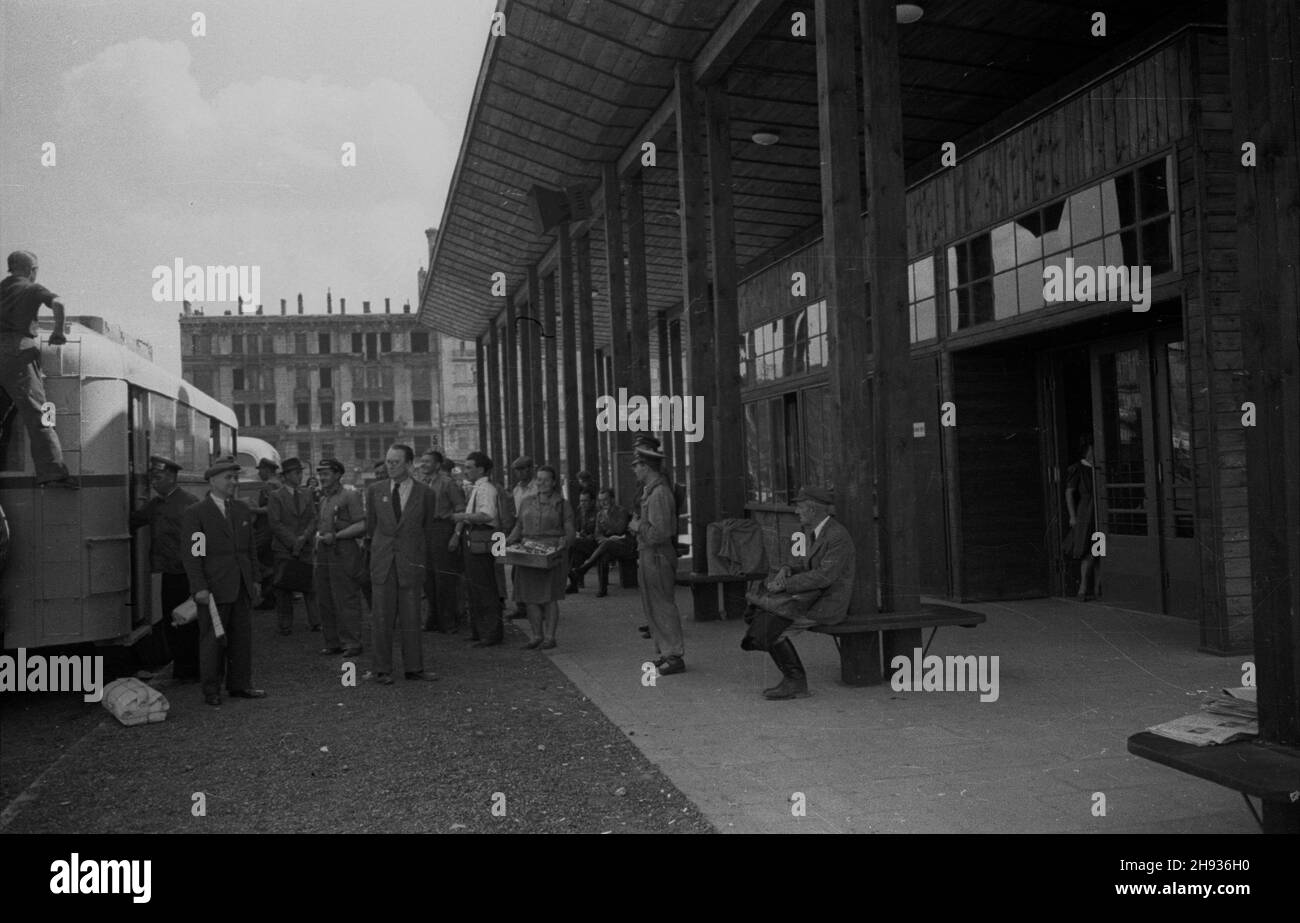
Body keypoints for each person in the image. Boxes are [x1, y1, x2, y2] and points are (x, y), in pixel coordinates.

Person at [741, 486, 856, 700]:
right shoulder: (815, 531)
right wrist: (788, 570)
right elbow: (807, 566)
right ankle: (794, 681)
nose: (796, 512)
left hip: (827, 603)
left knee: (772, 627)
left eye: (800, 508)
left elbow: (824, 576)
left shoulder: (837, 536)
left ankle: (795, 682)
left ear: (812, 510)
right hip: (812, 598)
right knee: (763, 618)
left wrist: (786, 584)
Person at [180, 456, 265, 707]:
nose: (233, 482)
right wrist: (199, 587)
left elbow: (250, 549)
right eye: (228, 477)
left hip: (241, 585)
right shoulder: (196, 513)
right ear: (213, 480)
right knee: (213, 640)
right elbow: (193, 555)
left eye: (234, 477)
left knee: (242, 637)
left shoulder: (240, 509)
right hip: (214, 588)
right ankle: (211, 689)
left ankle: (240, 684)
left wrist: (256, 579)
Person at [0, 250, 76, 488]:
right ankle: (53, 473)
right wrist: (58, 331)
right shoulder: (32, 289)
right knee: (41, 412)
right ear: (31, 269)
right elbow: (59, 303)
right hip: (18, 352)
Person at [364, 444, 436, 684]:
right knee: (381, 618)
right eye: (388, 461)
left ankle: (414, 668)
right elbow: (372, 527)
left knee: (411, 617)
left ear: (409, 464)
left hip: (410, 563)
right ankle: (381, 670)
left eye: (395, 462)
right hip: (383, 563)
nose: (390, 466)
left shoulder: (425, 493)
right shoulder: (374, 491)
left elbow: (426, 530)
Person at [128, 455, 200, 681]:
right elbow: (136, 519)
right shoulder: (156, 504)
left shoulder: (190, 502)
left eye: (158, 477)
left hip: (187, 573)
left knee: (189, 623)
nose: (153, 482)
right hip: (169, 572)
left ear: (171, 477)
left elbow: (200, 540)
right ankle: (182, 670)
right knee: (174, 623)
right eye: (152, 478)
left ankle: (192, 670)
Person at [629, 438, 685, 675]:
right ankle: (665, 652)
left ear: (646, 466)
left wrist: (637, 526)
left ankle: (674, 655)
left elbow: (660, 533)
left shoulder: (659, 493)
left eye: (637, 464)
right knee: (653, 605)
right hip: (650, 555)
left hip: (658, 555)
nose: (634, 469)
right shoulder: (651, 491)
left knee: (663, 606)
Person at [508, 465, 575, 649]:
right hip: (527, 553)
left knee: (548, 597)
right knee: (529, 597)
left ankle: (549, 638)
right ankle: (536, 636)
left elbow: (570, 529)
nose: (542, 483)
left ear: (554, 482)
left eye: (546, 479)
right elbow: (518, 526)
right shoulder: (526, 501)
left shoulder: (562, 504)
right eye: (539, 479)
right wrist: (507, 542)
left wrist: (565, 543)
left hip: (551, 555)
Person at [314, 458, 366, 658]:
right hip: (325, 552)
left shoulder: (350, 495)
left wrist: (337, 536)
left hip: (343, 551)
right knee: (325, 597)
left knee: (346, 597)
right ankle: (333, 642)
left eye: (326, 473)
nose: (322, 477)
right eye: (320, 473)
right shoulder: (324, 498)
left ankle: (352, 642)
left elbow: (362, 525)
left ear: (337, 474)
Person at [453, 451, 504, 647]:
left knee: (485, 589)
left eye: (469, 467)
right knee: (475, 588)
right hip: (474, 542)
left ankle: (490, 633)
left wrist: (463, 518)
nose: (465, 472)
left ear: (481, 469)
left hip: (481, 542)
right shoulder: (478, 488)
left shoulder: (486, 489)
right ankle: (481, 631)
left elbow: (487, 515)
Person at [267, 457, 321, 635]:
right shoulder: (276, 496)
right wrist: (293, 541)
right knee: (284, 587)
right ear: (286, 476)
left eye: (301, 473)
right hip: (284, 548)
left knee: (310, 586)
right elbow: (275, 523)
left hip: (304, 547)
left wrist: (304, 538)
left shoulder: (307, 493)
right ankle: (285, 624)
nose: (300, 476)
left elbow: (314, 518)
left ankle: (315, 621)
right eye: (297, 473)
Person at [422, 450, 466, 632]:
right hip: (426, 532)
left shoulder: (448, 484)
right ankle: (433, 619)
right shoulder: (422, 484)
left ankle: (448, 622)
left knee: (444, 579)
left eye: (427, 462)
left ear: (437, 465)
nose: (422, 464)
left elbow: (460, 509)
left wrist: (456, 535)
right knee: (428, 578)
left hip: (444, 529)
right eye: (422, 461)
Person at [570, 488, 636, 597]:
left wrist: (607, 518)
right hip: (605, 544)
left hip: (622, 543)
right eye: (600, 500)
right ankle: (589, 585)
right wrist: (603, 539)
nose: (603, 502)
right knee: (584, 545)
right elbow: (597, 533)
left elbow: (619, 529)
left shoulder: (621, 511)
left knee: (606, 547)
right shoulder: (600, 514)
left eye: (605, 499)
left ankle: (584, 569)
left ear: (612, 499)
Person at [1063, 435, 1101, 601]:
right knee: (1088, 550)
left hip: (1100, 511)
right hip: (1086, 511)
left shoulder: (1100, 468)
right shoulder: (1078, 468)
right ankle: (1083, 588)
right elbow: (1069, 492)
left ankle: (1097, 588)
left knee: (1100, 549)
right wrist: (1072, 516)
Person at [507, 455, 538, 619]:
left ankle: (538, 607)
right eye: (516, 470)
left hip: (537, 532)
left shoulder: (538, 487)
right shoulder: (517, 490)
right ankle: (522, 606)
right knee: (517, 571)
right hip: (521, 531)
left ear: (530, 469)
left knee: (534, 572)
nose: (519, 473)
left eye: (522, 469)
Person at [250, 458, 281, 609]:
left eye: (260, 469)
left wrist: (253, 509)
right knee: (268, 560)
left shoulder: (270, 485)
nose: (259, 472)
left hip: (266, 528)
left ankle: (269, 596)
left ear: (267, 470)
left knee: (255, 556)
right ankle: (270, 597)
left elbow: (271, 508)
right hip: (270, 528)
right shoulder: (277, 484)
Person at [566, 491, 599, 593]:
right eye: (581, 501)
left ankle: (571, 575)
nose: (582, 503)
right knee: (576, 552)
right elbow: (577, 528)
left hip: (596, 544)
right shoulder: (580, 511)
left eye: (585, 501)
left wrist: (588, 536)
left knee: (572, 544)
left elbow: (600, 532)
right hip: (582, 543)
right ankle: (574, 580)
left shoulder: (598, 512)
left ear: (592, 501)